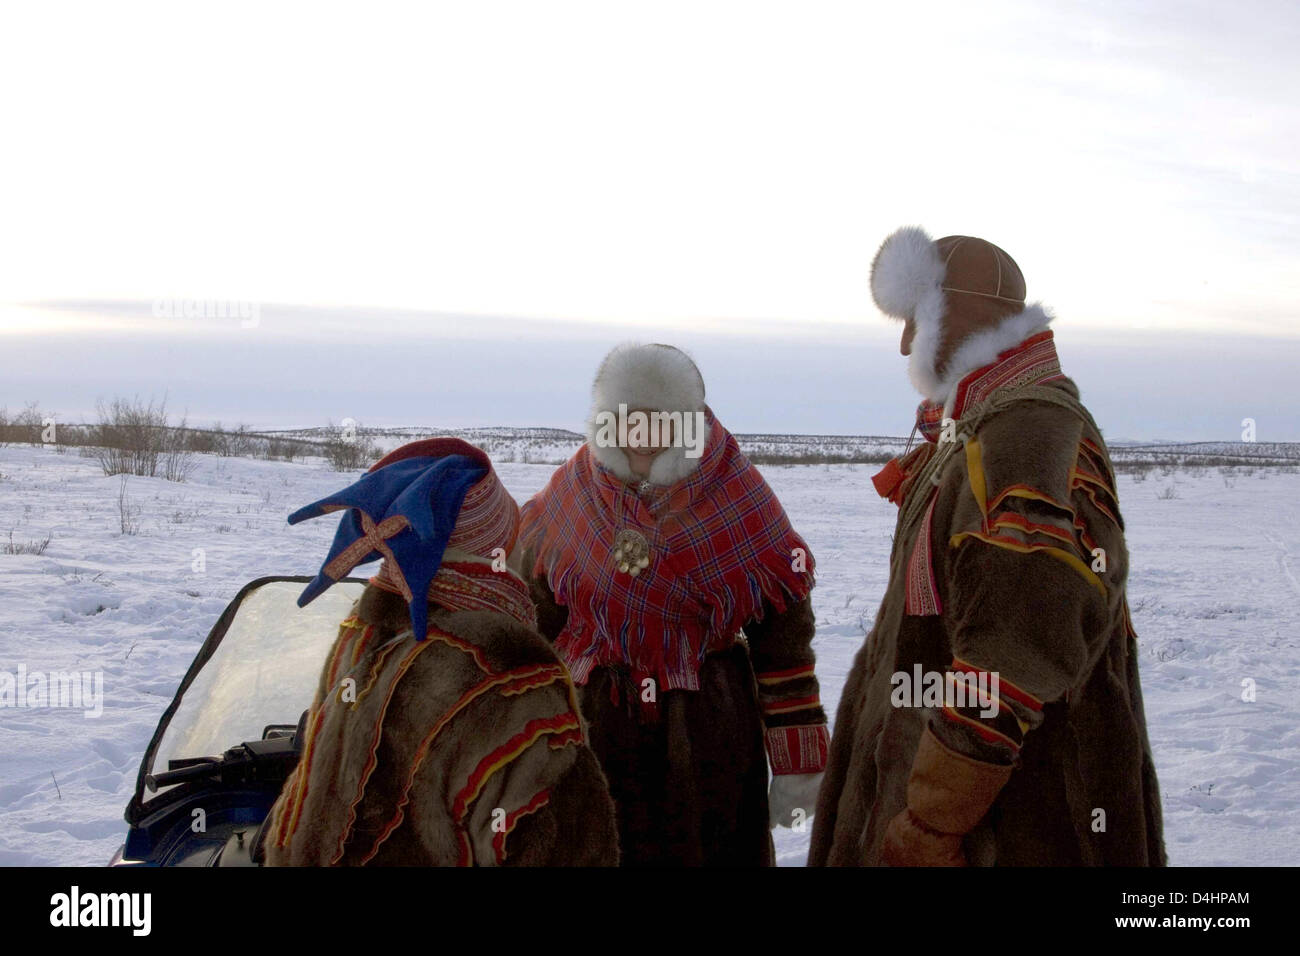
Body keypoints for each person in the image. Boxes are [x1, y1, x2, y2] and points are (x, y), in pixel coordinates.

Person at [809, 227, 1165, 866]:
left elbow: (1015, 650)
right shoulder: (979, 428)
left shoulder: (1025, 433)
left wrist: (931, 823)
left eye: (916, 321)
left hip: (1012, 826)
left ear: (954, 317)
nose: (904, 345)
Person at [517, 343, 829, 866]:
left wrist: (796, 762)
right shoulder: (574, 490)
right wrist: (521, 718)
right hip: (593, 724)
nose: (640, 436)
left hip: (708, 727)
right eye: (627, 420)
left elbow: (784, 640)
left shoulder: (736, 491)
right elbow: (537, 615)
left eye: (658, 421)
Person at [265, 438, 618, 866]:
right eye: (509, 537)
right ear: (493, 550)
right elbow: (566, 844)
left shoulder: (363, 630)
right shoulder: (509, 678)